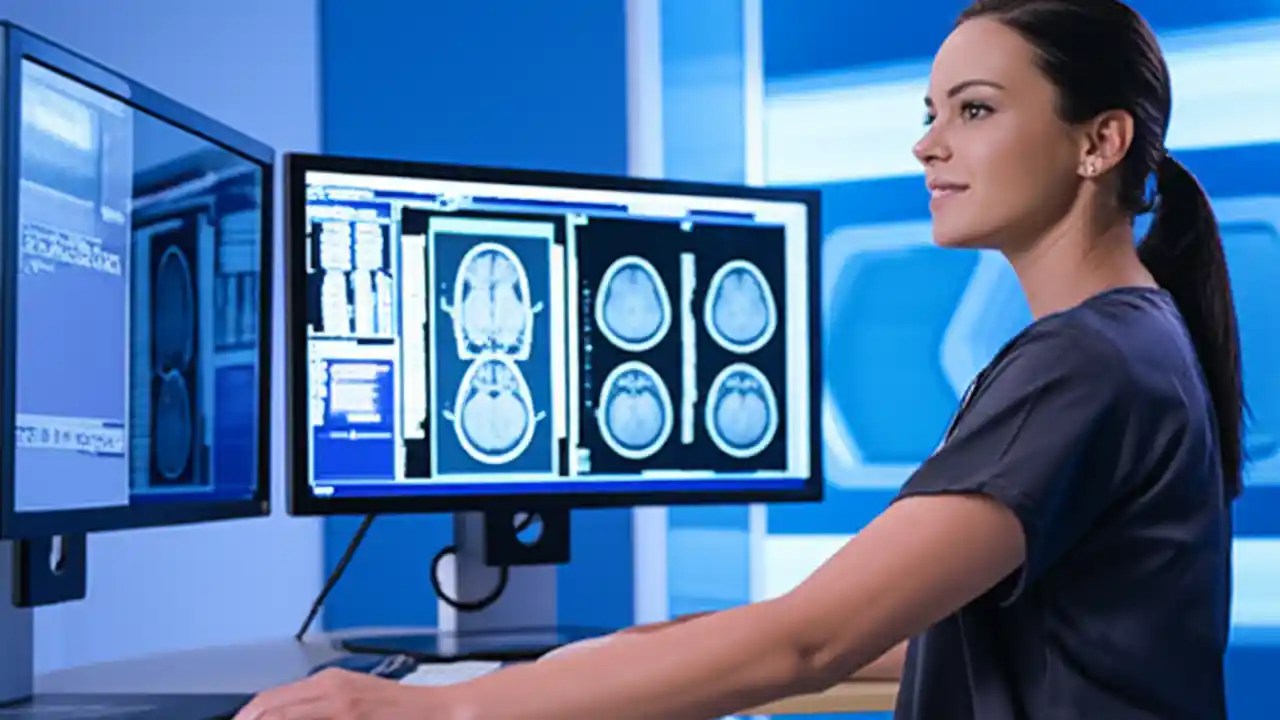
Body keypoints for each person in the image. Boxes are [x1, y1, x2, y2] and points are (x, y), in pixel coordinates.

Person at [235, 0, 1242, 717]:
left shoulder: (1085, 364)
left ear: (1097, 142)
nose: (927, 146)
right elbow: (953, 634)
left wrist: (437, 716)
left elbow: (812, 642)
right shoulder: (1133, 340)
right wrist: (628, 659)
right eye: (928, 113)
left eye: (972, 109)